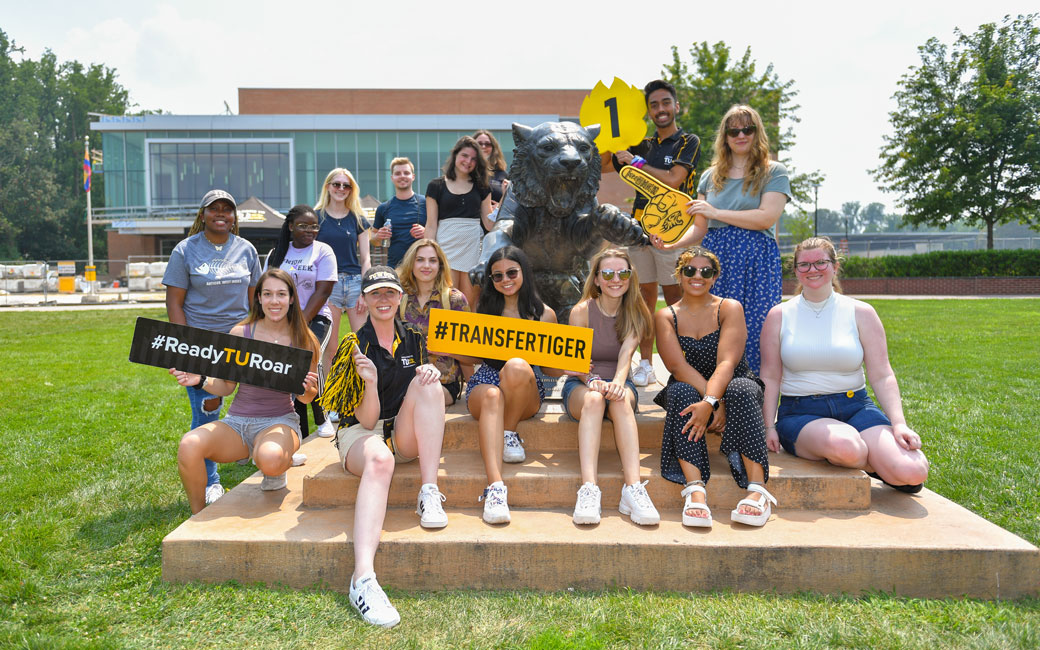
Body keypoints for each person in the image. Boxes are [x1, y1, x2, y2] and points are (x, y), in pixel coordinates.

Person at [760, 237, 929, 493]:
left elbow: (882, 374)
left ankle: (879, 462)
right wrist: (768, 426)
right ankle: (875, 462)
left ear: (835, 266)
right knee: (848, 448)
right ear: (795, 270)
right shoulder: (780, 315)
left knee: (913, 472)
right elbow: (770, 376)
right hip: (801, 412)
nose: (812, 269)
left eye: (820, 262)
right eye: (804, 265)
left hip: (856, 405)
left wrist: (899, 423)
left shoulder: (861, 312)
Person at [328, 266, 447, 628]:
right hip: (361, 432)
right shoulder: (353, 346)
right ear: (362, 300)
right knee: (380, 459)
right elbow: (365, 422)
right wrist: (370, 382)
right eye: (375, 293)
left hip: (400, 431)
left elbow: (421, 395)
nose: (383, 299)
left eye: (390, 293)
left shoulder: (413, 336)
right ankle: (362, 578)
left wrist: (431, 374)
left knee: (431, 385)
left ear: (400, 298)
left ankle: (429, 490)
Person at [651, 104, 790, 374]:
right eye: (733, 130)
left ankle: (755, 396)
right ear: (724, 136)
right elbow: (700, 228)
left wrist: (716, 212)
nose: (741, 135)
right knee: (713, 325)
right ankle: (714, 397)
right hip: (715, 259)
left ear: (756, 132)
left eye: (747, 129)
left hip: (756, 259)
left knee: (757, 327)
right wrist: (672, 244)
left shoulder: (773, 171)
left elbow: (766, 218)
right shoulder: (709, 176)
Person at [169, 268, 320, 514]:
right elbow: (226, 388)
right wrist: (201, 379)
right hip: (238, 422)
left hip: (279, 420)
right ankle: (197, 516)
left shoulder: (304, 339)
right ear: (258, 297)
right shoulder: (241, 333)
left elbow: (305, 398)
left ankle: (277, 465)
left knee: (270, 459)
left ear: (292, 298)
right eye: (268, 294)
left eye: (281, 294)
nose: (274, 301)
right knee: (189, 444)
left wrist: (309, 391)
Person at [654, 246, 774, 528]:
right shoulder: (666, 315)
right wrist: (711, 403)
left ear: (715, 276)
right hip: (690, 386)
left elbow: (727, 364)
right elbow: (678, 368)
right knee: (680, 392)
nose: (698, 276)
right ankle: (695, 490)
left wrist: (711, 402)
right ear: (679, 275)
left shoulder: (729, 307)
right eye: (689, 270)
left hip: (732, 383)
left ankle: (757, 491)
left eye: (706, 271)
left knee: (742, 389)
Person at [163, 189, 262, 505]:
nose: (221, 214)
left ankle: (260, 453)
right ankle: (211, 482)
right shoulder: (185, 250)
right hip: (201, 344)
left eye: (227, 209)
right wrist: (185, 348)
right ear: (202, 214)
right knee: (208, 409)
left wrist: (255, 336)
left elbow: (255, 300)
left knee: (255, 402)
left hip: (240, 341)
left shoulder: (246, 250)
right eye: (214, 209)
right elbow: (174, 302)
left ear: (234, 216)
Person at [603, 79, 700, 388]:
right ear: (649, 111)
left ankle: (679, 365)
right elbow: (604, 165)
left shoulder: (688, 141)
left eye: (665, 103)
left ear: (676, 106)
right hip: (640, 231)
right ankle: (645, 364)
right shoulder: (641, 143)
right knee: (642, 301)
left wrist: (637, 163)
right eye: (654, 105)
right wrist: (611, 143)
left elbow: (674, 180)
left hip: (674, 231)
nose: (660, 109)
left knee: (675, 300)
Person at [563, 249, 660, 526]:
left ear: (631, 277)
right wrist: (592, 381)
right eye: (607, 273)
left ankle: (633, 488)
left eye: (622, 273)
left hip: (620, 380)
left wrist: (617, 384)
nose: (615, 279)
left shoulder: (636, 310)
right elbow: (576, 363)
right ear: (596, 279)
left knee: (618, 400)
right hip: (583, 382)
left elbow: (626, 356)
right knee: (594, 400)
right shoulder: (581, 311)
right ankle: (589, 489)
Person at [466, 246, 562, 524]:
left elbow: (549, 370)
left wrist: (571, 367)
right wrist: (443, 349)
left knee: (518, 365)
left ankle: (508, 432)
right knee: (493, 395)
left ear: (524, 273)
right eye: (497, 276)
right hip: (487, 383)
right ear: (491, 281)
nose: (505, 279)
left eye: (511, 272)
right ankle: (495, 487)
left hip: (525, 388)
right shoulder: (483, 310)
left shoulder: (544, 314)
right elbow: (473, 355)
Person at [265, 204, 338, 446]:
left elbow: (323, 291)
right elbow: (268, 289)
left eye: (314, 226)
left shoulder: (323, 251)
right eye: (303, 226)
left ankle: (323, 417)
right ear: (290, 227)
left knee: (309, 355)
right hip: (282, 321)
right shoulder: (277, 254)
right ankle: (300, 425)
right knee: (289, 365)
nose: (310, 230)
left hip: (316, 318)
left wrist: (300, 324)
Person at [396, 239, 473, 405]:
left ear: (440, 266)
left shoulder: (454, 300)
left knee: (423, 397)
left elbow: (470, 353)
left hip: (443, 384)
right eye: (420, 260)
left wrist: (449, 350)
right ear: (411, 263)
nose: (426, 265)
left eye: (432, 260)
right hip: (406, 381)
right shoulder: (399, 299)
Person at [425, 136, 493, 309]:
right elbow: (431, 225)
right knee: (447, 302)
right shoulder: (436, 186)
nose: (468, 161)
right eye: (464, 155)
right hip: (446, 249)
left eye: (473, 159)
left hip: (473, 250)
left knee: (470, 304)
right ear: (455, 155)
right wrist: (429, 253)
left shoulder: (482, 186)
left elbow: (489, 223)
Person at [315, 168, 372, 372]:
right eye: (336, 184)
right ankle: (330, 400)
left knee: (362, 347)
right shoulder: (316, 217)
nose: (341, 189)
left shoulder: (358, 219)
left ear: (351, 189)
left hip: (356, 283)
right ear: (328, 187)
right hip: (328, 285)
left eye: (346, 185)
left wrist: (365, 291)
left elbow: (366, 259)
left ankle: (363, 397)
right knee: (331, 349)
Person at [371, 157, 427, 268]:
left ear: (413, 177)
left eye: (406, 173)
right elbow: (374, 241)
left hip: (423, 267)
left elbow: (441, 232)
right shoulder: (383, 208)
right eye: (398, 173)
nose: (402, 176)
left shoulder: (426, 203)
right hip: (395, 268)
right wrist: (378, 236)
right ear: (392, 178)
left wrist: (427, 232)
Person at [473, 130, 509, 211]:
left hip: (495, 221)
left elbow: (513, 202)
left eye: (487, 144)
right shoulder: (465, 173)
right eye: (479, 144)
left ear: (493, 148)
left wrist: (500, 206)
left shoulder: (503, 175)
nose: (483, 147)